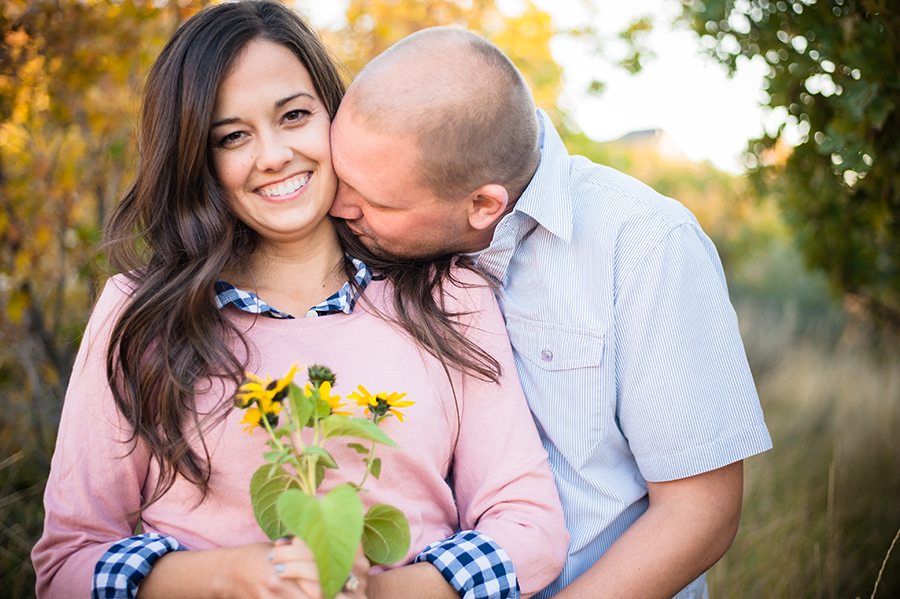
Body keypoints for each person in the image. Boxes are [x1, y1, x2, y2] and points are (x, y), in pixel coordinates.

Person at [30, 4, 569, 599]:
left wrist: (379, 592)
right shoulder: (141, 315)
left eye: (294, 115)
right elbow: (68, 562)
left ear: (336, 115)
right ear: (196, 158)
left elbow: (529, 525)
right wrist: (238, 577)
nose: (274, 155)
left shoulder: (446, 296)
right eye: (232, 136)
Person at [327, 26, 774, 599]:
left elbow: (699, 511)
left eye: (377, 201)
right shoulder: (370, 243)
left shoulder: (645, 244)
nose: (340, 207)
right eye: (342, 177)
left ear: (483, 204)